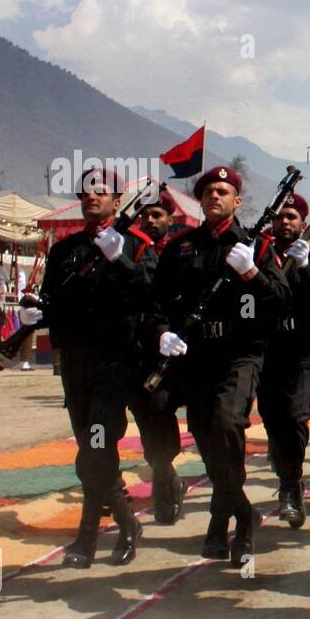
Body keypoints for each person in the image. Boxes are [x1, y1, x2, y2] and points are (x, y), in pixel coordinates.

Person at [147, 165, 291, 570]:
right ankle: (240, 511)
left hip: (240, 353)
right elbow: (158, 303)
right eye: (209, 190)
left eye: (223, 191)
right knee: (208, 439)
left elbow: (280, 301)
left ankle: (230, 524)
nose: (215, 196)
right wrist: (162, 333)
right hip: (196, 356)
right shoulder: (181, 247)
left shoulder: (255, 246)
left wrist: (251, 272)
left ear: (237, 201)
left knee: (228, 424)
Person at [21, 167, 156, 568]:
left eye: (100, 192)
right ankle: (128, 523)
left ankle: (88, 536)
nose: (91, 198)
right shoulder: (64, 250)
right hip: (76, 362)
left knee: (96, 447)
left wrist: (120, 261)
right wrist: (35, 313)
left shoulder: (136, 245)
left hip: (115, 363)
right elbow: (53, 300)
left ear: (117, 202)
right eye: (85, 193)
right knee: (89, 448)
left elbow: (149, 297)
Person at [258, 193, 310, 525]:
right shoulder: (260, 255)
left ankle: (290, 485)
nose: (284, 222)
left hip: (304, 352)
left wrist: (304, 269)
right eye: (280, 217)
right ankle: (287, 472)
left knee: (293, 417)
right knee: (273, 420)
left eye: (291, 217)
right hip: (269, 350)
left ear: (303, 224)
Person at [129, 193, 186, 524]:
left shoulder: (180, 250)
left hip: (176, 349)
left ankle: (165, 483)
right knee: (148, 419)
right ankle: (165, 477)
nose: (150, 220)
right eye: (145, 215)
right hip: (139, 350)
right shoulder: (131, 248)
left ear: (169, 218)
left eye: (156, 215)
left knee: (163, 411)